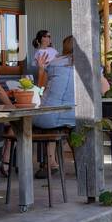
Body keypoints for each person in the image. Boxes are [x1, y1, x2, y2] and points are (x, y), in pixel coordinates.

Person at [35, 35, 77, 175]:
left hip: (46, 116)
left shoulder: (53, 64)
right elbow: (104, 89)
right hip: (73, 116)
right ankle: (81, 164)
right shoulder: (88, 65)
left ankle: (49, 163)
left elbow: (40, 89)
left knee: (53, 123)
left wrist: (41, 69)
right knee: (73, 126)